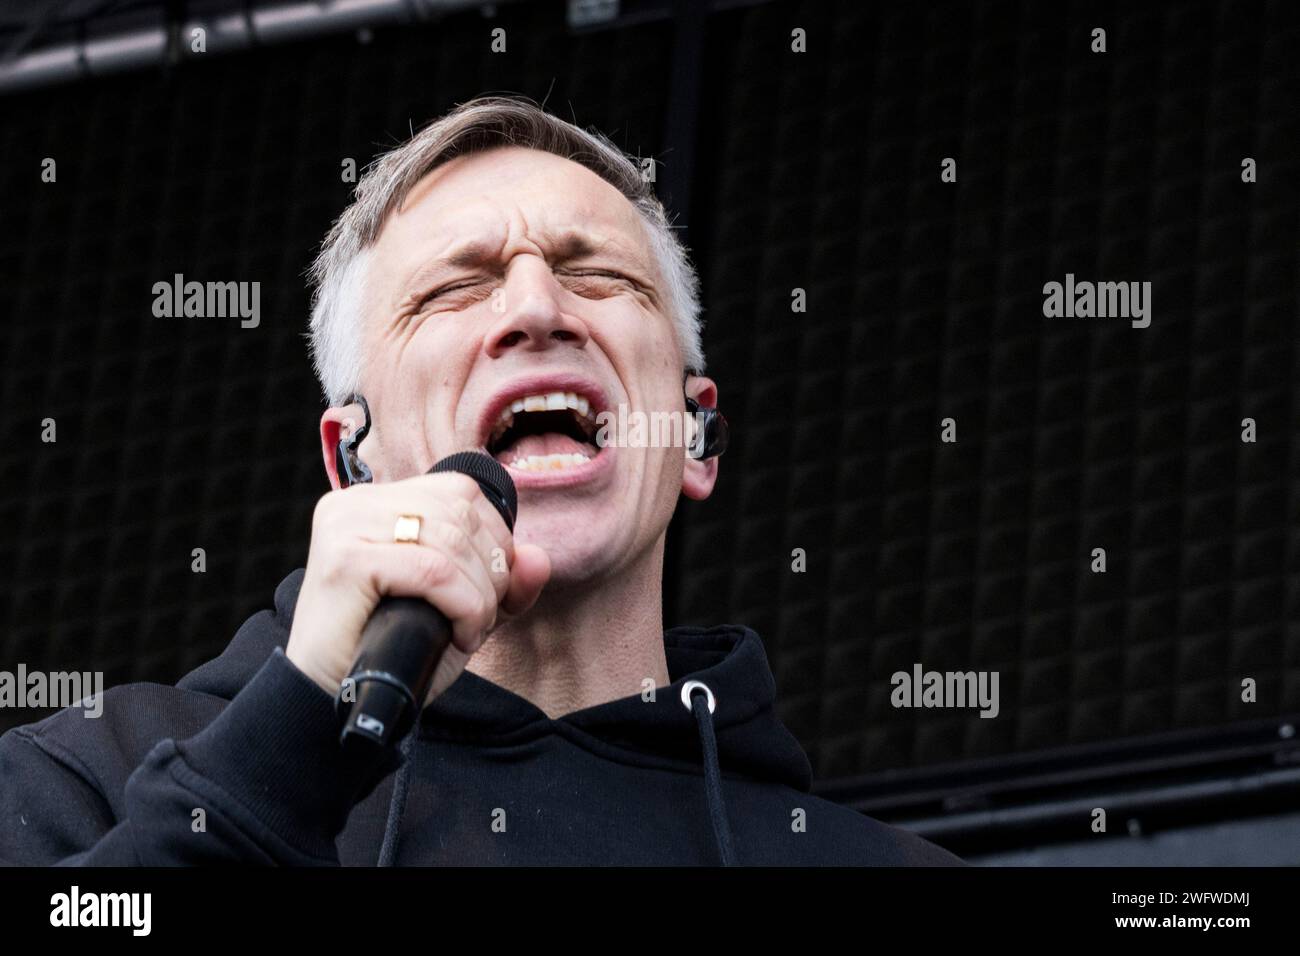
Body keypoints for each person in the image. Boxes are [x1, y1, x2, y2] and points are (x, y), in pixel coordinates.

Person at [0, 95, 960, 866]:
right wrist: (286, 747)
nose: (538, 307)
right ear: (349, 461)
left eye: (601, 277)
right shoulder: (85, 779)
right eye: (454, 288)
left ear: (697, 436)